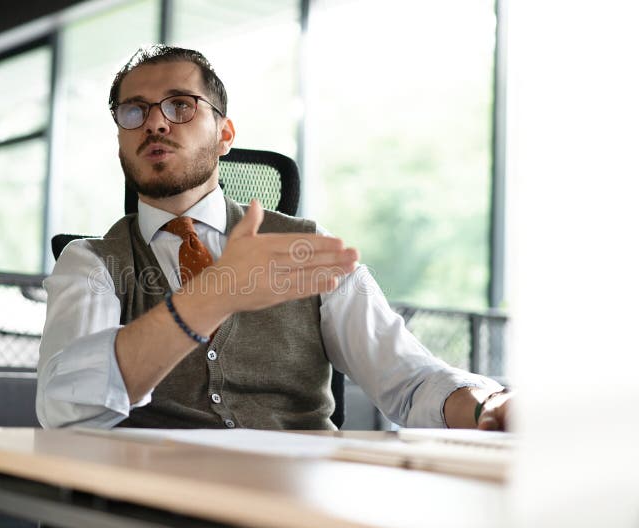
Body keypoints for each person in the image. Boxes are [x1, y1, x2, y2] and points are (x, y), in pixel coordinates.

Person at [36, 45, 511, 431]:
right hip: (159, 507)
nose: (156, 122)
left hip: (300, 503)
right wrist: (213, 296)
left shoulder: (303, 247)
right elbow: (66, 406)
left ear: (225, 135)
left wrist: (483, 407)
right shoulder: (91, 263)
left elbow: (409, 379)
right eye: (134, 111)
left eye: (180, 105)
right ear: (120, 138)